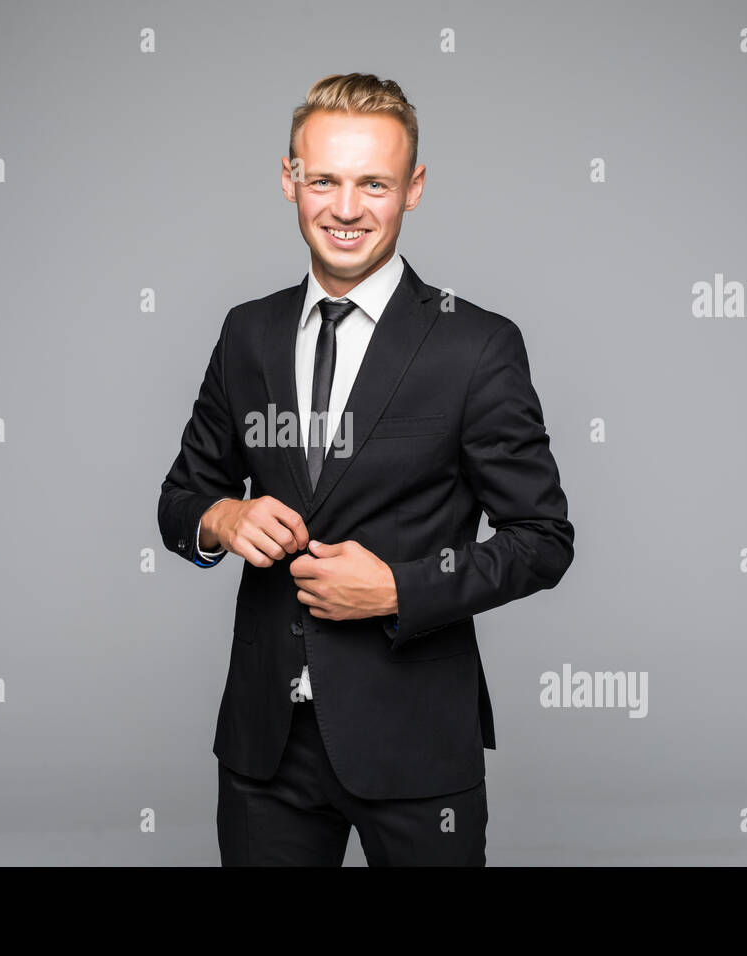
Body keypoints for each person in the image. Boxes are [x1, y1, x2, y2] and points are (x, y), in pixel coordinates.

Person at [157, 72, 574, 866]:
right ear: (290, 180)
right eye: (325, 180)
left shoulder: (475, 346)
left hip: (415, 745)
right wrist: (224, 517)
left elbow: (543, 540)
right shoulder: (247, 333)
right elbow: (181, 499)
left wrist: (396, 590)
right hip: (264, 749)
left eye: (373, 184)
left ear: (413, 188)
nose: (346, 210)